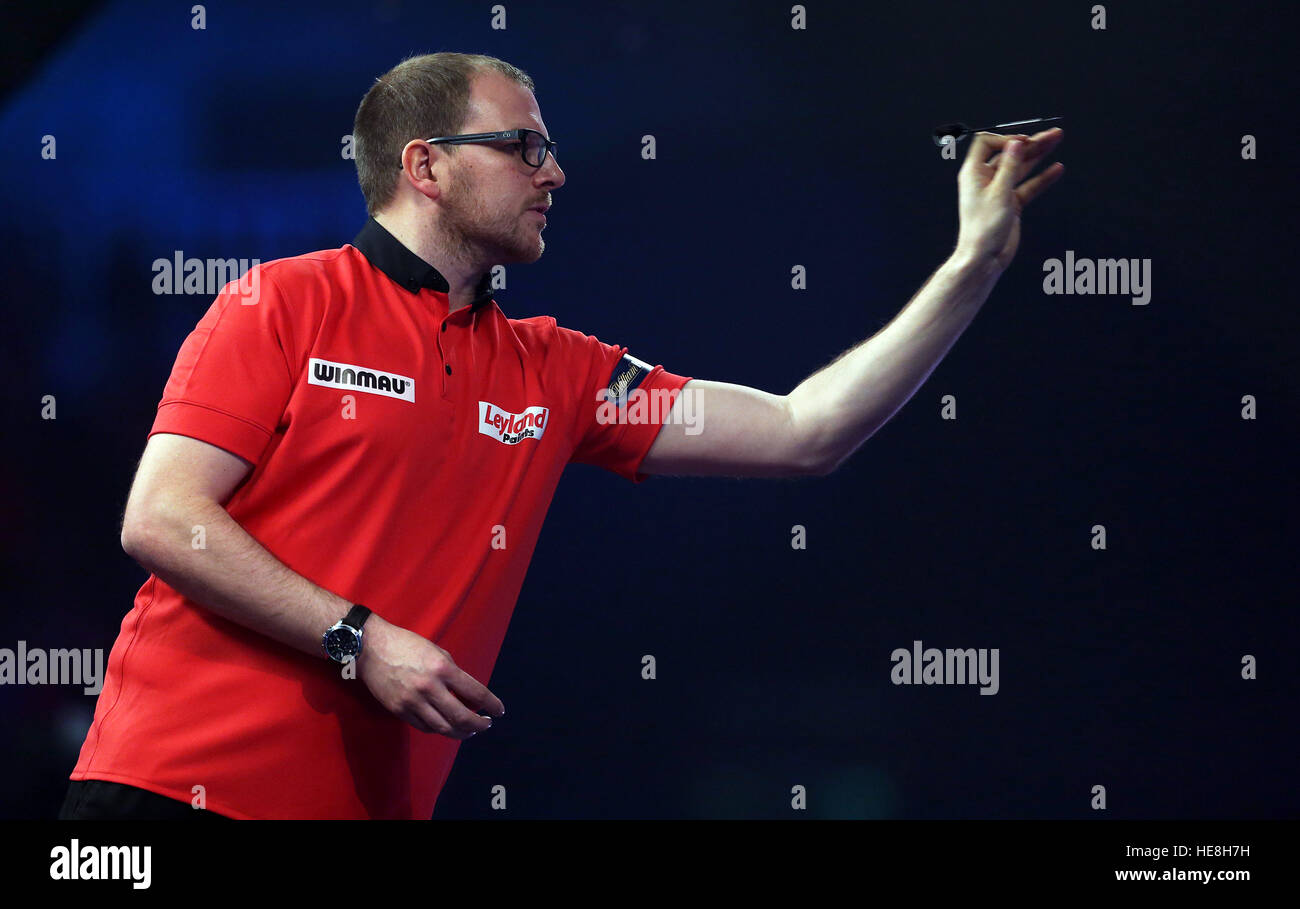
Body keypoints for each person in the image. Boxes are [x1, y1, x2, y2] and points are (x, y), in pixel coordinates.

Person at [61, 52, 1064, 820]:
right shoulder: (281, 303)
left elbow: (808, 429)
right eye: (525, 147)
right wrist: (357, 640)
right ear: (428, 166)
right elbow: (162, 517)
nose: (557, 174)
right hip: (164, 796)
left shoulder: (560, 371)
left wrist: (972, 263)